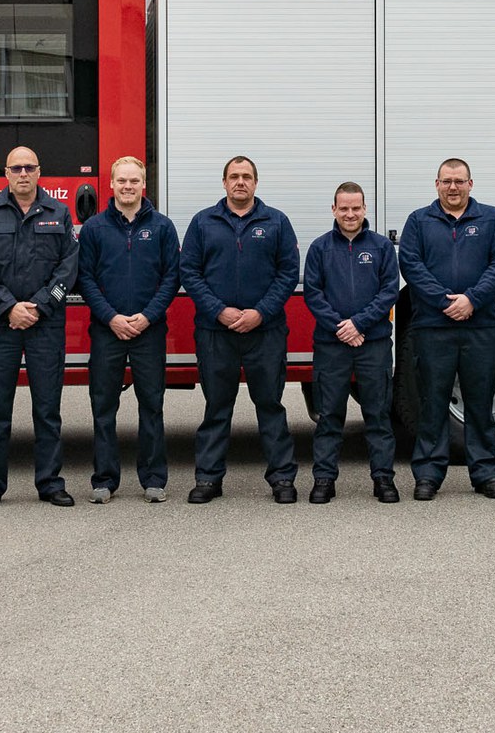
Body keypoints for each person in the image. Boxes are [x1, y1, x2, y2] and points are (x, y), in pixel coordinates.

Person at [178, 156, 300, 504]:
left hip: (266, 331)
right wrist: (220, 311)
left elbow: (288, 272)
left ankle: (282, 479)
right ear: (224, 183)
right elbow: (190, 273)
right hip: (216, 332)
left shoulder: (276, 222)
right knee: (217, 407)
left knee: (270, 405)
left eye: (247, 177)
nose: (240, 182)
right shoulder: (204, 222)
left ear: (256, 183)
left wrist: (260, 313)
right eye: (234, 177)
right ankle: (208, 479)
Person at [0, 146, 79, 509]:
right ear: (6, 173)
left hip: (45, 325)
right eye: (16, 168)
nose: (23, 173)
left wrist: (40, 306)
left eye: (29, 167)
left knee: (47, 409)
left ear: (39, 172)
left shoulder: (59, 213)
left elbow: (68, 270)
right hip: (1, 325)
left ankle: (50, 483)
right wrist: (10, 307)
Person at [398, 158, 495, 500]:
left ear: (470, 184)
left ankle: (485, 473)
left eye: (459, 181)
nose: (453, 187)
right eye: (447, 181)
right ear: (436, 184)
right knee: (432, 404)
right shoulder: (419, 221)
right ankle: (429, 475)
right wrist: (444, 301)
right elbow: (411, 265)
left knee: (480, 404)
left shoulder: (492, 218)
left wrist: (472, 300)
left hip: (481, 327)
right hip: (433, 327)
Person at [77, 156, 180, 504]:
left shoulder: (163, 227)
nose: (127, 186)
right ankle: (104, 480)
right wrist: (111, 318)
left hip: (149, 331)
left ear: (143, 184)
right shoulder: (93, 228)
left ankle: (153, 478)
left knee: (151, 405)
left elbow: (171, 277)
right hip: (108, 331)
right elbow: (85, 279)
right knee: (103, 408)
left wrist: (147, 316)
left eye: (134, 181)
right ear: (111, 184)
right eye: (121, 181)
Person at [302, 182, 402, 504]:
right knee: (329, 416)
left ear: (364, 209)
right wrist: (340, 327)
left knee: (377, 414)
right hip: (331, 345)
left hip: (372, 343)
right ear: (333, 209)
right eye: (343, 208)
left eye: (355, 208)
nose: (349, 214)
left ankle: (383, 480)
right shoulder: (319, 248)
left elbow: (389, 291)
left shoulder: (382, 248)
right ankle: (324, 480)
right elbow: (313, 294)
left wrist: (358, 323)